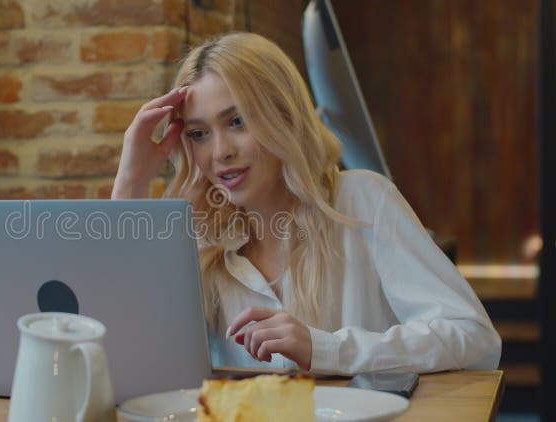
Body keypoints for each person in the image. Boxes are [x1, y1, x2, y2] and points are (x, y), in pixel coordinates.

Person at [111, 32, 501, 375]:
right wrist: (130, 183)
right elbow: (128, 357)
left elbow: (474, 337)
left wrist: (325, 349)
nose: (220, 153)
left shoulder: (362, 200)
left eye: (238, 122)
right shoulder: (196, 241)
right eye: (198, 134)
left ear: (284, 114)